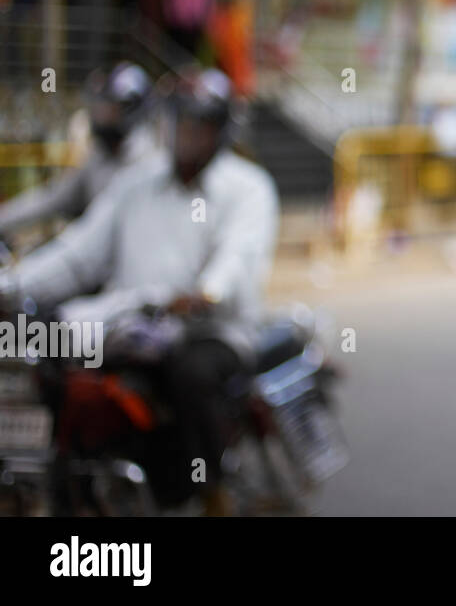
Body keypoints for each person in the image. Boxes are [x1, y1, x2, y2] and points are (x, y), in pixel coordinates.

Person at [0, 67, 279, 514]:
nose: (185, 133)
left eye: (198, 124)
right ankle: (67, 482)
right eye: (179, 121)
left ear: (220, 130)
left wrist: (205, 292)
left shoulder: (248, 188)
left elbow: (239, 256)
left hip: (209, 331)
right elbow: (77, 254)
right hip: (127, 324)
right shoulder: (135, 184)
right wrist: (10, 288)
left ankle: (211, 492)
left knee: (192, 375)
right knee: (47, 358)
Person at [0, 62, 160, 240]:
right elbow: (52, 199)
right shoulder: (100, 157)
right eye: (100, 106)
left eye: (110, 109)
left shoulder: (147, 166)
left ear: (132, 110)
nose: (101, 116)